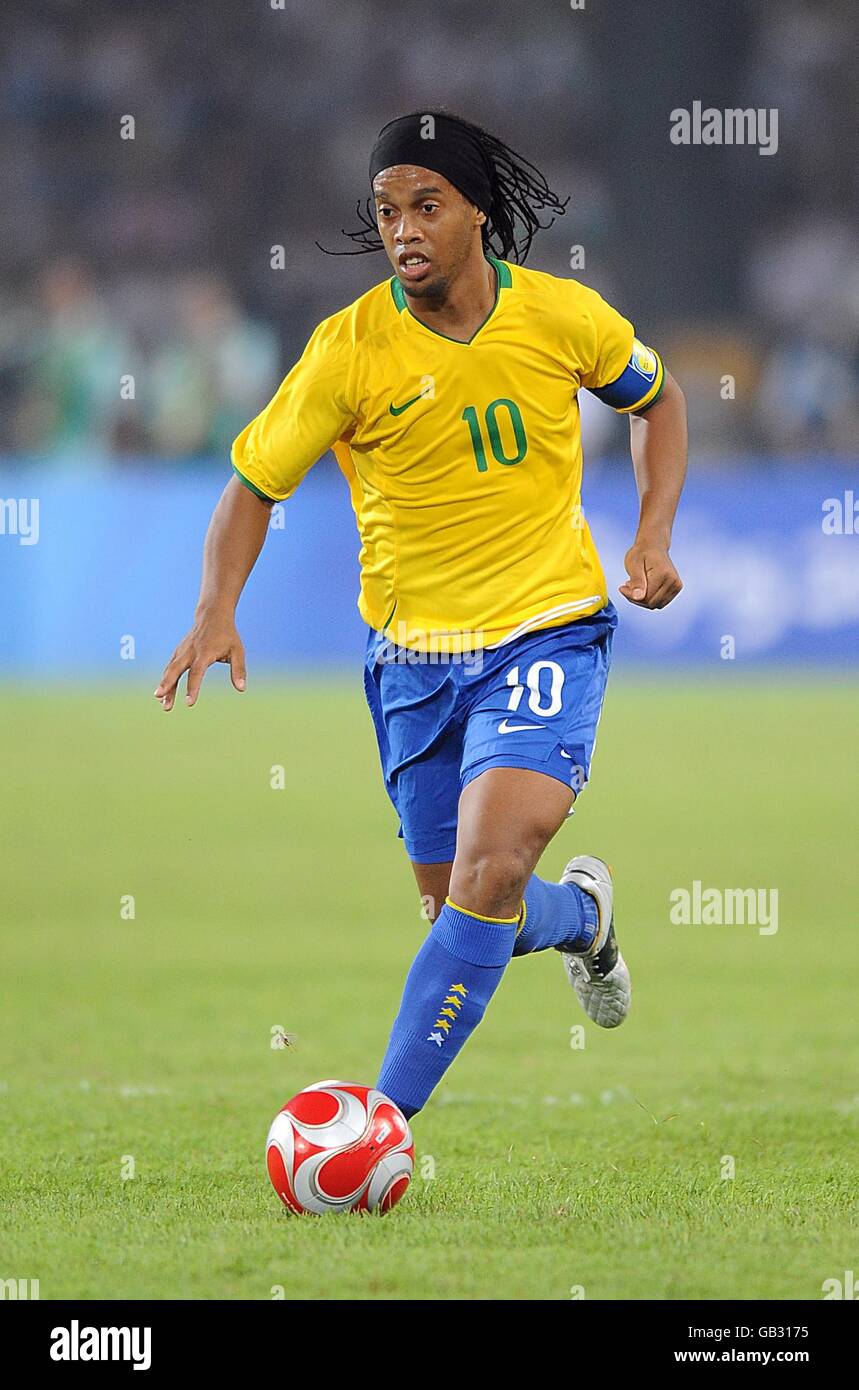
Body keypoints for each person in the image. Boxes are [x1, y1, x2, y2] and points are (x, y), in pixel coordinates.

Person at [155, 111, 687, 1122]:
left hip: (547, 627)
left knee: (491, 867)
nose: (402, 228)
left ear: (475, 211)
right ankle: (582, 918)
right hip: (412, 660)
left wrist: (651, 538)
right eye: (386, 210)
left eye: (425, 205)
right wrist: (216, 606)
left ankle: (376, 1126)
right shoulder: (347, 350)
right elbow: (252, 483)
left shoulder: (563, 317)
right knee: (463, 907)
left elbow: (657, 403)